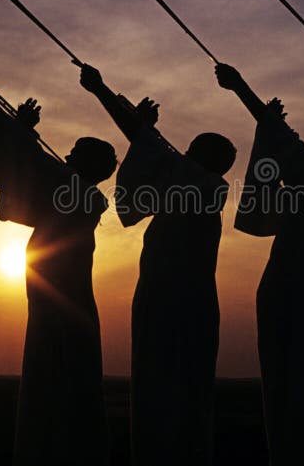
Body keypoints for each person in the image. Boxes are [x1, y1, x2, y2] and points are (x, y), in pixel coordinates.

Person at [0, 71, 116, 466]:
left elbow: (33, 163)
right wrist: (12, 124)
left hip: (65, 309)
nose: (70, 154)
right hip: (53, 305)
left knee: (60, 379)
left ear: (91, 164)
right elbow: (31, 172)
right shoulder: (73, 190)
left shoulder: (86, 196)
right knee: (50, 377)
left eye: (78, 151)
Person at [78, 64, 236, 466]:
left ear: (208, 159)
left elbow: (147, 142)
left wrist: (109, 97)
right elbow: (148, 143)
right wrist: (102, 92)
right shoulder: (190, 180)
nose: (182, 152)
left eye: (192, 149)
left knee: (175, 391)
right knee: (161, 387)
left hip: (177, 303)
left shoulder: (207, 187)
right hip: (170, 299)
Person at [215, 63, 304, 466]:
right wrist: (268, 123)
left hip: (298, 295)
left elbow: (282, 144)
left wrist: (243, 90)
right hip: (293, 293)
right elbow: (271, 177)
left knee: (297, 387)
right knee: (293, 386)